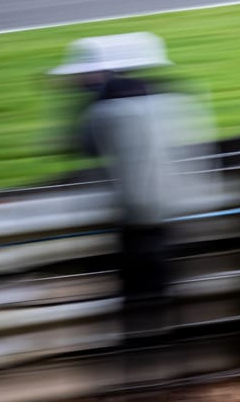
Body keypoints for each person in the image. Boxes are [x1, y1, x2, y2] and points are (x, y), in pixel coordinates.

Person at [49, 32, 217, 393]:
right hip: (186, 217)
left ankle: (137, 382)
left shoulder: (102, 110)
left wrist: (72, 103)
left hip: (139, 223)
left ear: (106, 72)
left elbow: (71, 146)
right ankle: (187, 379)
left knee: (137, 308)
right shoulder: (179, 98)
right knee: (176, 300)